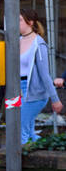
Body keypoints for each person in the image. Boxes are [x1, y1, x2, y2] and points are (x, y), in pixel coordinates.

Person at [19, 8, 60, 144]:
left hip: (34, 93)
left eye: (19, 20)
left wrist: (55, 99)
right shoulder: (17, 41)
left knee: (20, 130)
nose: (16, 23)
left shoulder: (39, 43)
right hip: (19, 90)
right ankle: (45, 152)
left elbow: (45, 75)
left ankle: (18, 165)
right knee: (30, 134)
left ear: (30, 22)